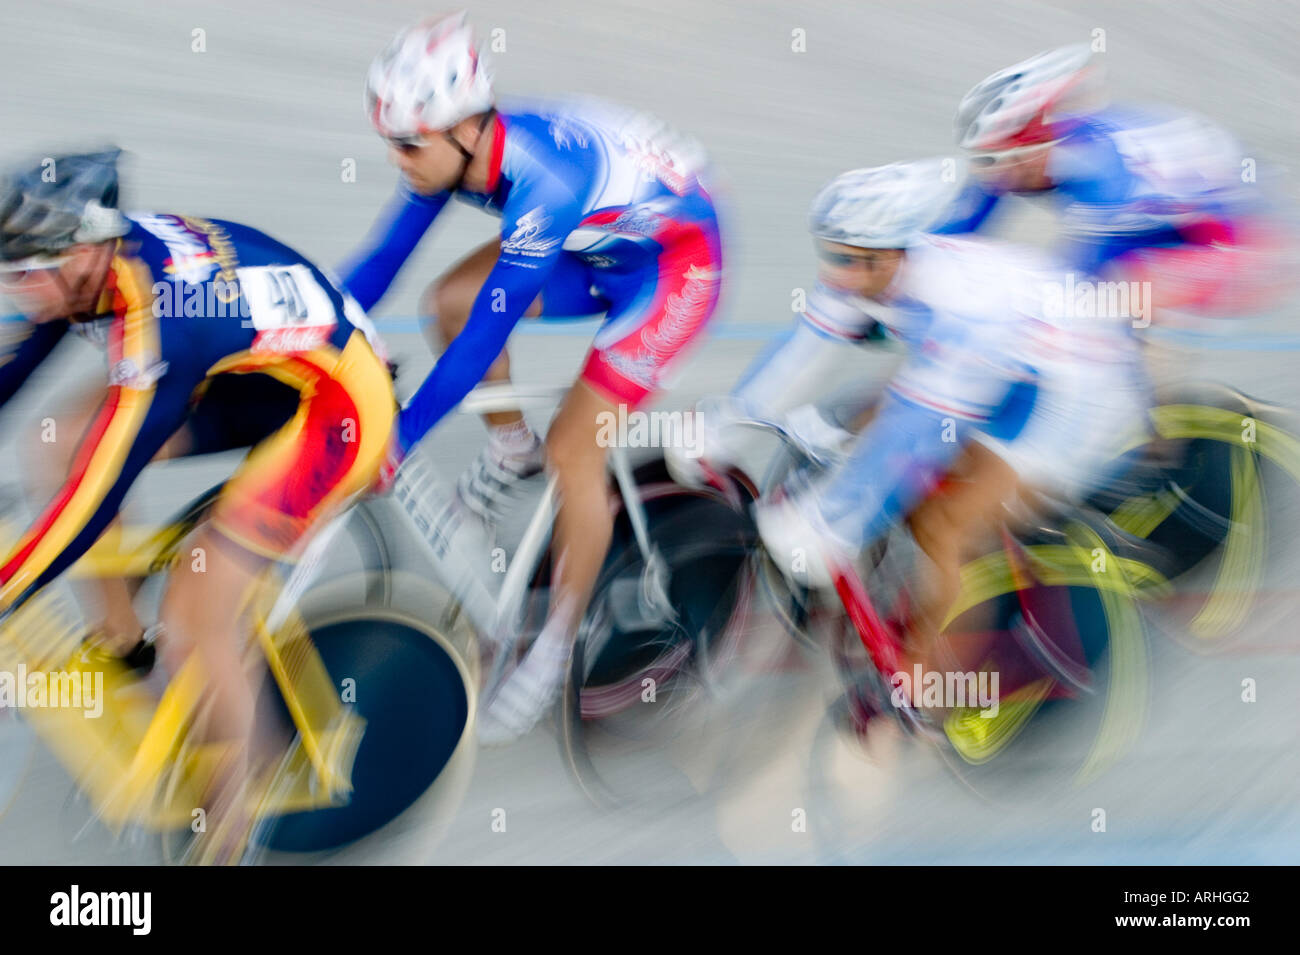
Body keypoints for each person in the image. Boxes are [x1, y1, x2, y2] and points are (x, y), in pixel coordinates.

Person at [341, 13, 725, 742]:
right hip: (604, 243)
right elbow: (382, 260)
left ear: (459, 130)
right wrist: (304, 326)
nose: (396, 160)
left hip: (675, 272)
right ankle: (508, 448)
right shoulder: (458, 148)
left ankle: (554, 644)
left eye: (404, 144)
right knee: (445, 302)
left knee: (575, 450)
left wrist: (399, 436)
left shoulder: (540, 184)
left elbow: (491, 327)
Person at [0, 149, 394, 859]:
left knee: (193, 612)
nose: (17, 290)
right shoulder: (88, 264)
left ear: (85, 255)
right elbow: (13, 370)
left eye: (27, 274)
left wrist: (9, 589)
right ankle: (127, 649)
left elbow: (97, 495)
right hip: (256, 369)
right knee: (52, 447)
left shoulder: (157, 320)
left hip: (337, 409)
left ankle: (232, 816)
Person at [677, 160, 1147, 710]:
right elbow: (800, 352)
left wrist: (831, 524)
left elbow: (919, 429)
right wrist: (722, 424)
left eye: (853, 261)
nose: (839, 274)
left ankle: (917, 682)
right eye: (831, 255)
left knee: (942, 525)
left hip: (1077, 397)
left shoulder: (963, 311)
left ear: (899, 253)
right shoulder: (871, 259)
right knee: (875, 423)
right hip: (1012, 366)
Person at [942, 43, 1294, 321]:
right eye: (985, 160)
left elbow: (1075, 282)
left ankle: (1157, 402)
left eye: (1002, 162)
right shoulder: (1036, 149)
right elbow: (957, 229)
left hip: (1240, 242)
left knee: (1087, 314)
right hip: (1179, 215)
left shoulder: (1102, 186)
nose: (995, 174)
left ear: (1036, 146)